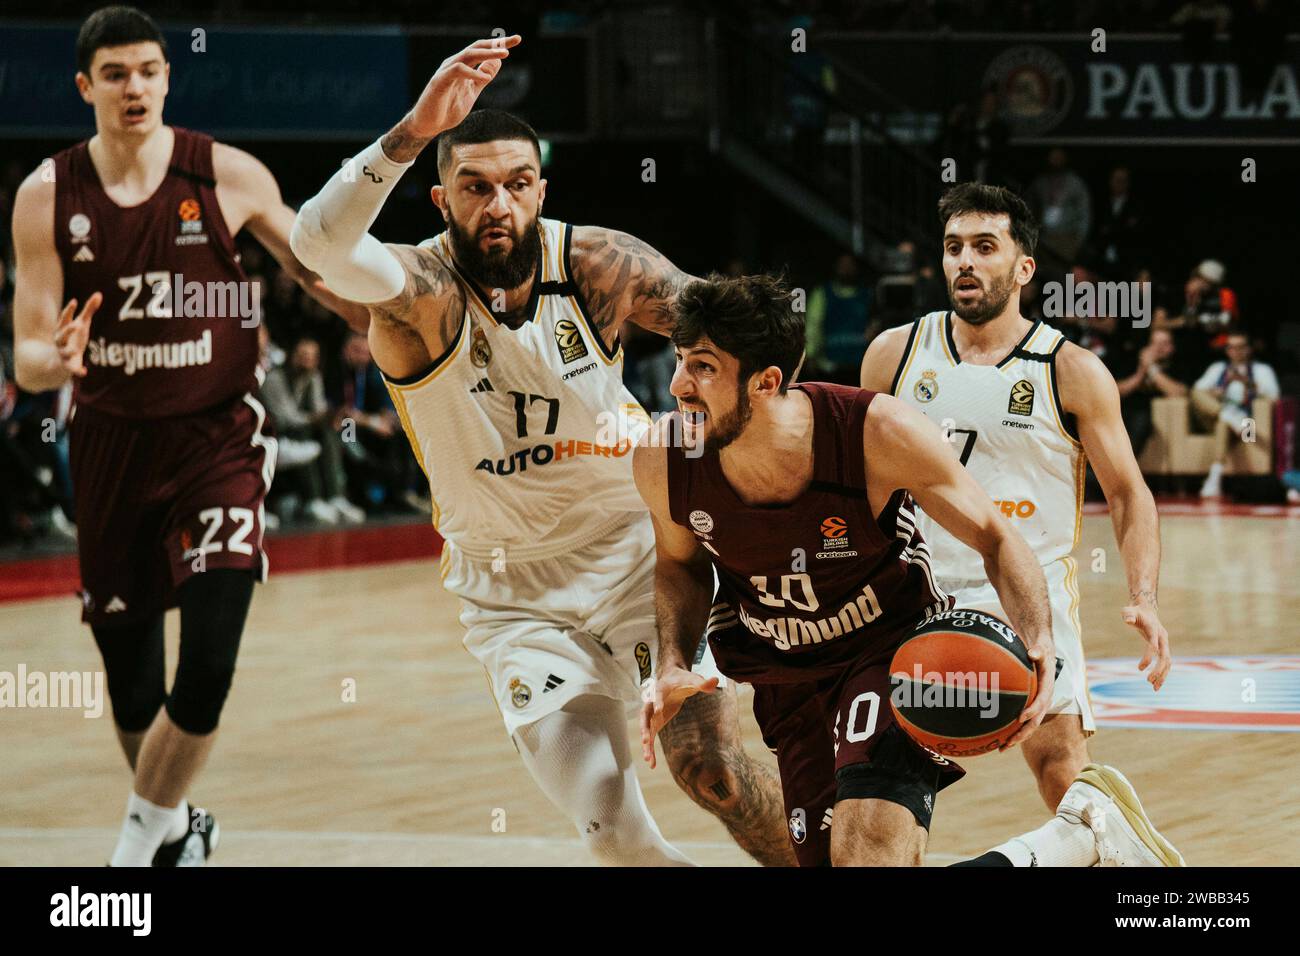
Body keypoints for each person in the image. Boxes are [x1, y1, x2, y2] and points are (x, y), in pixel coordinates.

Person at [290, 35, 790, 866]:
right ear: (439, 196)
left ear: (542, 189)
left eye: (518, 185)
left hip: (640, 557)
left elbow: (739, 329)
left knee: (716, 773)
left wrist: (791, 442)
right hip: (514, 599)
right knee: (615, 837)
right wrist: (414, 127)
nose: (499, 207)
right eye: (475, 188)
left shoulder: (596, 264)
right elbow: (318, 246)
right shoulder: (417, 296)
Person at [637, 272, 1172, 867]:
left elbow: (997, 537)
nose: (679, 385)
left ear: (764, 382)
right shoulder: (664, 457)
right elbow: (678, 565)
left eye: (704, 367)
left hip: (888, 658)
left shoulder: (874, 433)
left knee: (870, 859)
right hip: (785, 676)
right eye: (680, 361)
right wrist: (672, 662)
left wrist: (1039, 635)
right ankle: (1075, 841)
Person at [9, 6, 365, 866]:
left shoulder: (228, 175)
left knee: (208, 662)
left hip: (216, 444)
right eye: (117, 74)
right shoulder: (46, 194)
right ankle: (175, 828)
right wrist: (54, 361)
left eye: (149, 71)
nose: (135, 87)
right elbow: (25, 358)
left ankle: (131, 861)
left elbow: (312, 266)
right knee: (134, 686)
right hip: (108, 446)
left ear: (169, 77)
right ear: (85, 86)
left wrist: (389, 320)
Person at [861, 183, 1183, 866]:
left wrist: (1144, 597)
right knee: (881, 791)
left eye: (984, 246)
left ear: (1024, 267)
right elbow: (867, 484)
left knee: (1062, 774)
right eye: (953, 248)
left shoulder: (1069, 369)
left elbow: (1128, 493)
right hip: (915, 597)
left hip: (1026, 596)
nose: (965, 263)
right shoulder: (894, 353)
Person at [261, 336, 363, 523]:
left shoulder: (313, 376)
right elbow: (286, 417)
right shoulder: (275, 378)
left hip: (304, 428)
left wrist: (331, 416)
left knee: (334, 432)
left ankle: (336, 496)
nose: (307, 359)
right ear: (292, 356)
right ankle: (312, 499)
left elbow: (318, 407)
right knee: (310, 436)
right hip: (277, 433)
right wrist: (318, 418)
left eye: (311, 356)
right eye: (303, 355)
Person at [1193, 332, 1280, 498]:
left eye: (1241, 347)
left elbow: (1274, 397)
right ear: (1227, 350)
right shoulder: (1217, 369)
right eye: (1232, 347)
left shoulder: (1262, 370)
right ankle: (1226, 415)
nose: (1236, 351)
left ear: (1249, 349)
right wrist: (1215, 392)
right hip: (1220, 417)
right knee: (1197, 394)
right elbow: (1199, 391)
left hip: (1247, 426)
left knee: (1223, 424)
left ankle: (1214, 479)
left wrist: (1247, 382)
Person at [1113, 324, 1190, 458]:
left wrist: (1152, 369)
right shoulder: (1132, 362)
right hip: (1126, 410)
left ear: (1172, 347)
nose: (1159, 348)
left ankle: (1121, 466)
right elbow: (1116, 391)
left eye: (1164, 344)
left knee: (1140, 421)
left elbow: (1178, 393)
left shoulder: (1177, 366)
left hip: (1150, 415)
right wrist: (1141, 373)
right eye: (1155, 343)